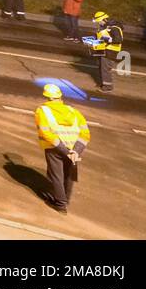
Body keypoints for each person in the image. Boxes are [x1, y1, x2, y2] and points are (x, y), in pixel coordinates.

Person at [34, 84, 90, 213]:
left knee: (56, 175)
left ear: (46, 97)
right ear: (60, 96)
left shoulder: (42, 111)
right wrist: (75, 151)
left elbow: (45, 133)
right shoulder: (74, 112)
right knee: (68, 176)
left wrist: (64, 150)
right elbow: (85, 133)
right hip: (74, 149)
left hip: (54, 148)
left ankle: (60, 204)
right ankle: (66, 200)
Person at [90, 11, 124, 91]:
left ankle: (108, 87)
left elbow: (119, 39)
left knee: (105, 69)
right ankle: (103, 84)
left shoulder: (114, 28)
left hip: (111, 52)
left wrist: (108, 40)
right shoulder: (105, 28)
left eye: (100, 22)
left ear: (104, 19)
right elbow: (101, 38)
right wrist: (93, 42)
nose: (99, 23)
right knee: (102, 68)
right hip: (104, 51)